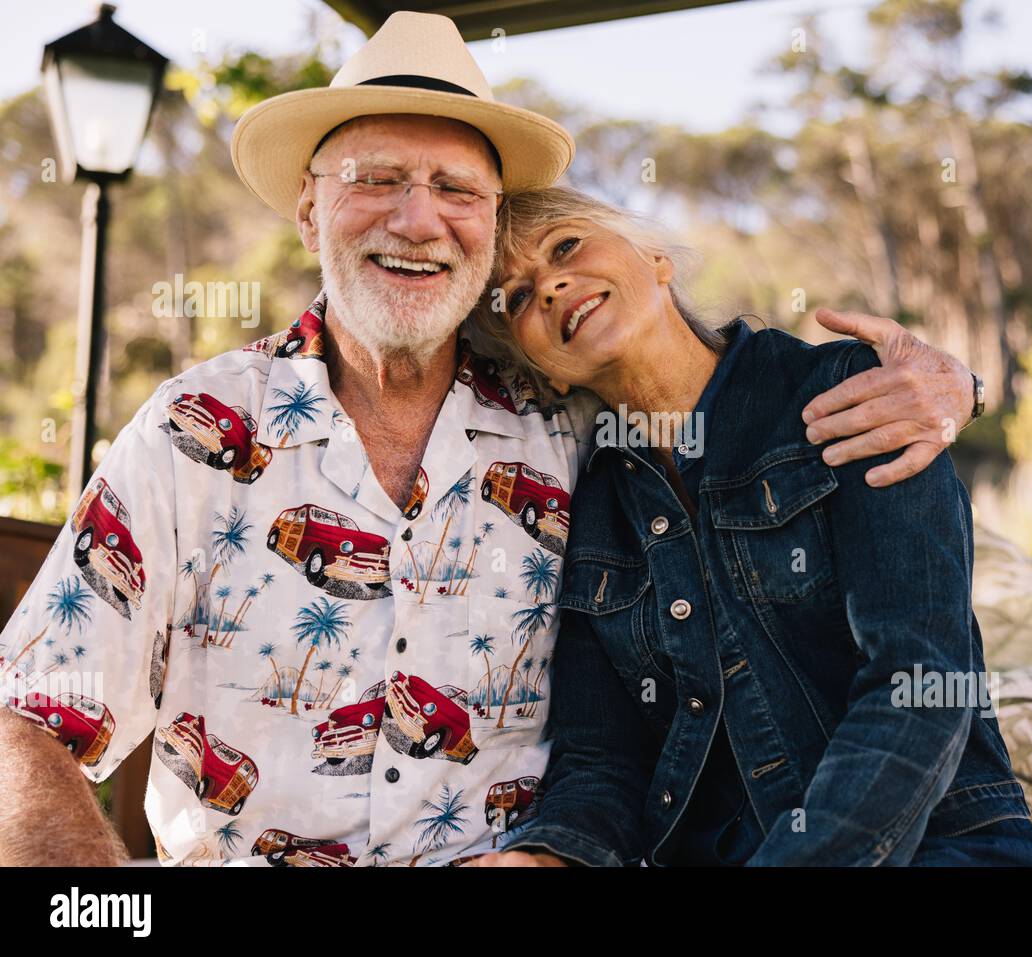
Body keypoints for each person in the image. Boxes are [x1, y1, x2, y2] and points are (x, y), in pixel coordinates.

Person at [0, 13, 979, 866]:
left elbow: (722, 390)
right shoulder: (194, 432)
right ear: (310, 210)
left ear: (490, 220)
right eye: (376, 179)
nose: (418, 218)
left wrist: (949, 384)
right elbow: (28, 723)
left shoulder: (576, 431)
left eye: (455, 190)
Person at [465, 187, 1032, 867]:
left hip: (943, 847)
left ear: (657, 257)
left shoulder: (851, 396)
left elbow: (919, 681)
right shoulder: (590, 505)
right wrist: (545, 855)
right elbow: (603, 762)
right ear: (536, 363)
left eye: (566, 247)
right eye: (515, 297)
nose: (549, 285)